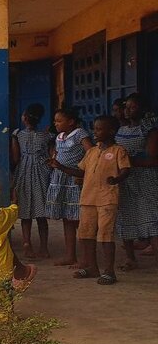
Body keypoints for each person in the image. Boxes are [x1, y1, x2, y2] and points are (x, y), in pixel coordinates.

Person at [51, 115, 130, 284]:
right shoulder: (92, 152)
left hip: (107, 199)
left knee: (105, 234)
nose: (95, 132)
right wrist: (61, 167)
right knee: (85, 233)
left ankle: (109, 271)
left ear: (111, 131)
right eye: (94, 128)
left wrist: (116, 180)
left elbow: (125, 170)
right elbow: (81, 172)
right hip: (88, 198)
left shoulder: (118, 151)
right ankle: (91, 267)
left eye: (99, 129)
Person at [114, 94, 158, 270]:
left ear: (141, 109)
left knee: (152, 219)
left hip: (145, 180)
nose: (127, 110)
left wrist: (126, 161)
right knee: (126, 217)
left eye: (132, 107)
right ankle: (130, 258)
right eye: (126, 107)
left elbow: (152, 158)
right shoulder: (120, 130)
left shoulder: (149, 129)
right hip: (125, 181)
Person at [46, 109, 92, 267]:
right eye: (55, 121)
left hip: (74, 178)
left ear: (71, 121)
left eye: (59, 121)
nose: (55, 123)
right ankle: (70, 255)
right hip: (60, 179)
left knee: (78, 219)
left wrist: (82, 170)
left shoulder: (80, 134)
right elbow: (58, 153)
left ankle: (86, 258)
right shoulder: (59, 137)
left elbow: (91, 153)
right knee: (67, 219)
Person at [10, 104, 53, 258]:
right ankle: (44, 248)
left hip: (24, 172)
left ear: (25, 118)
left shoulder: (18, 135)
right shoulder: (46, 136)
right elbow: (51, 154)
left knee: (26, 214)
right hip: (42, 172)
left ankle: (27, 244)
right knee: (41, 214)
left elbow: (15, 158)